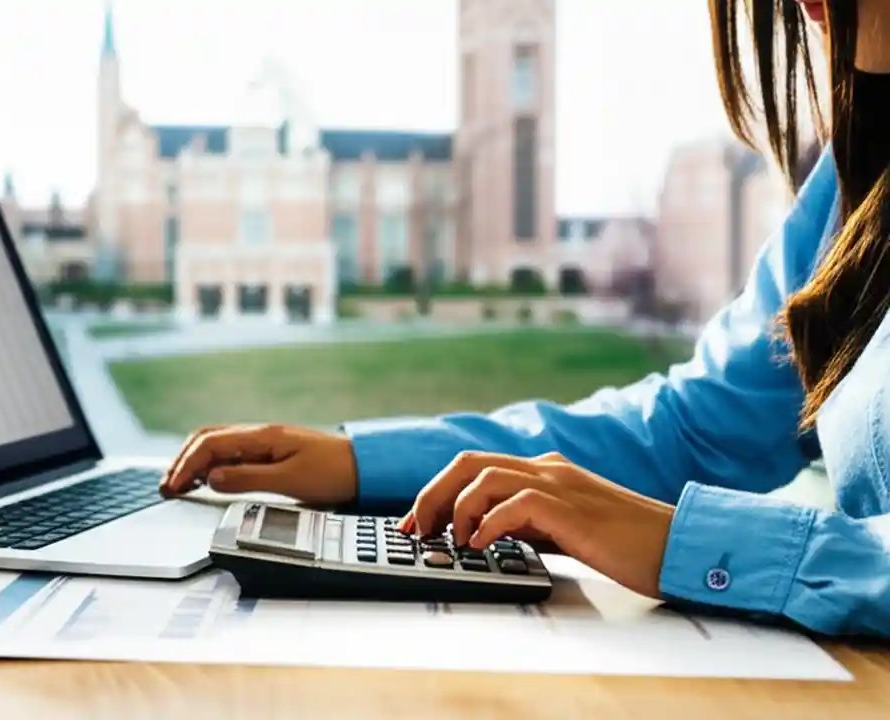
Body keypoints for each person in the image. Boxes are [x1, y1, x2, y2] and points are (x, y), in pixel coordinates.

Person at [161, 0, 890, 638]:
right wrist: (360, 462)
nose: (809, 8)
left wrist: (683, 543)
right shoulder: (850, 189)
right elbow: (694, 428)